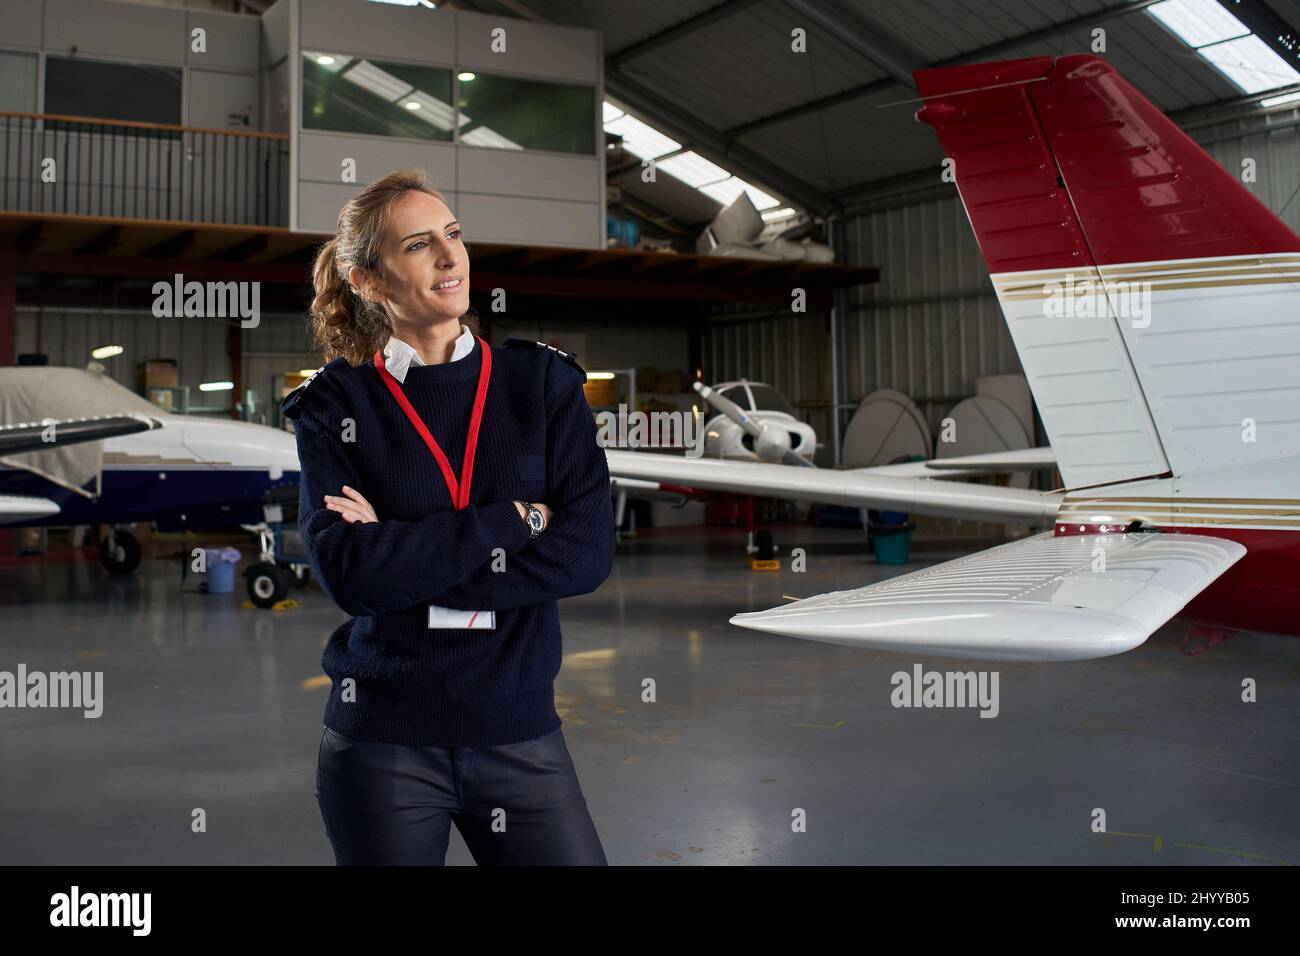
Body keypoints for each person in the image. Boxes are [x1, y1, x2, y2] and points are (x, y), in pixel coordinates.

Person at [281, 168, 615, 865]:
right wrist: (515, 521)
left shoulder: (542, 385)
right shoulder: (335, 406)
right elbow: (352, 578)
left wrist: (403, 556)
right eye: (419, 244)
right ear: (370, 281)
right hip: (382, 744)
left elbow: (586, 555)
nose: (449, 255)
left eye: (454, 235)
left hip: (520, 733)